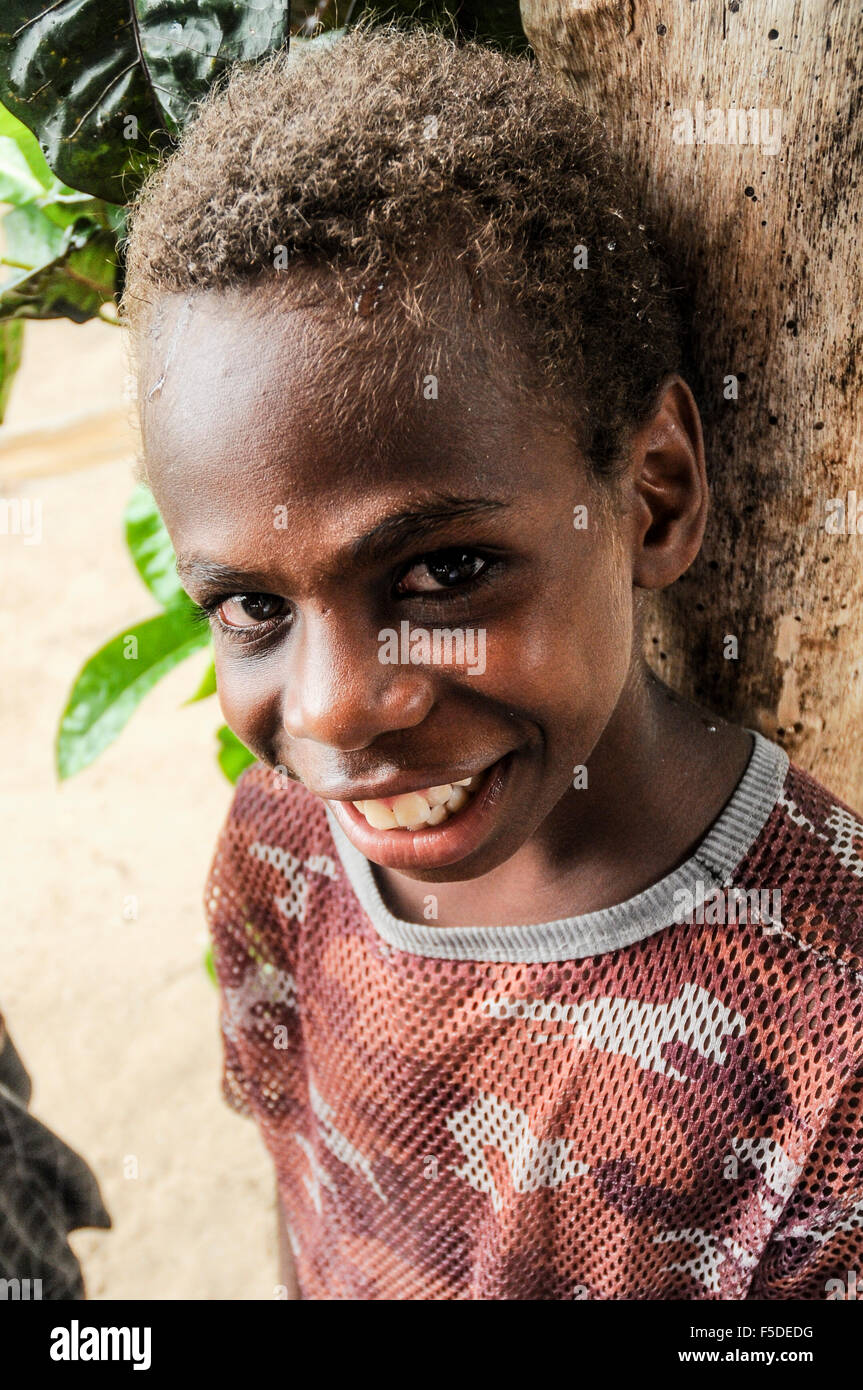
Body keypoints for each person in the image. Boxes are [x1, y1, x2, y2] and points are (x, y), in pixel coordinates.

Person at [120, 25, 863, 1300]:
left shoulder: (830, 1040)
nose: (333, 707)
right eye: (251, 604)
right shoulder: (282, 849)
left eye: (443, 572)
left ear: (655, 493)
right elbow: (306, 1198)